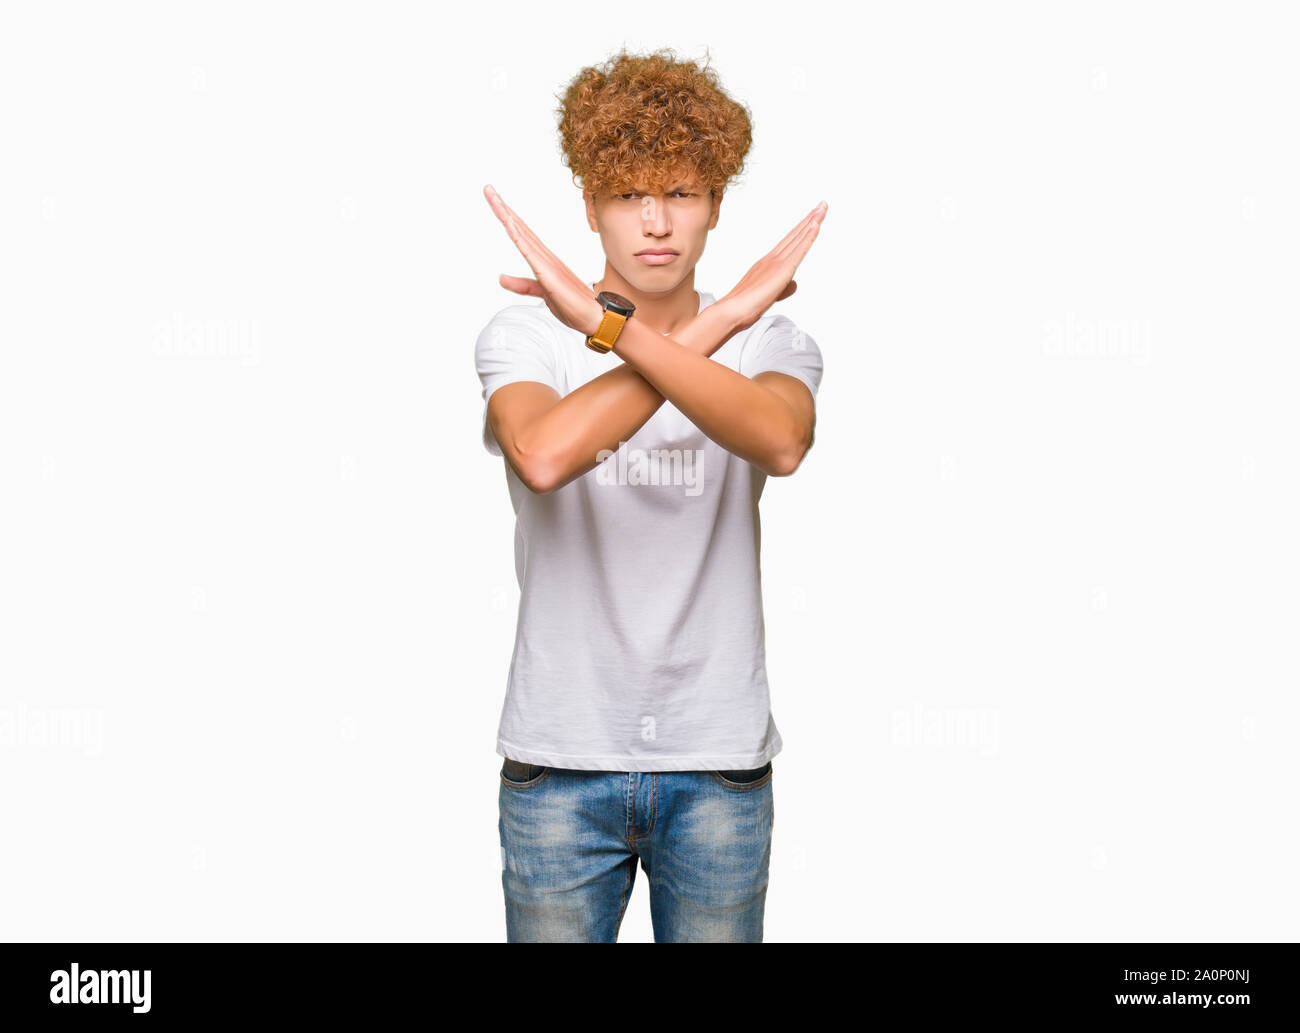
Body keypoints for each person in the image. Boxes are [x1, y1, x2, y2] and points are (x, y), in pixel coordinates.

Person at [474, 47, 827, 942]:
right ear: (590, 206)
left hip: (718, 764)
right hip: (560, 763)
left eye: (683, 192)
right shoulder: (530, 338)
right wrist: (701, 322)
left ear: (715, 207)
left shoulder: (773, 342)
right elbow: (544, 455)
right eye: (630, 194)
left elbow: (781, 440)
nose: (657, 221)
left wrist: (621, 329)